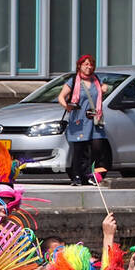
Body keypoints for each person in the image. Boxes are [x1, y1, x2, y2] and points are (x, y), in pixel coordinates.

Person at [57, 55, 107, 186]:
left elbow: (100, 94)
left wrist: (104, 88)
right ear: (79, 66)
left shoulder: (96, 80)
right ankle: (78, 176)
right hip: (79, 120)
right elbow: (61, 97)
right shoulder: (73, 81)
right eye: (86, 64)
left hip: (95, 120)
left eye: (91, 64)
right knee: (79, 150)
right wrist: (66, 106)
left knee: (97, 148)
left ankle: (93, 175)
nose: (89, 67)